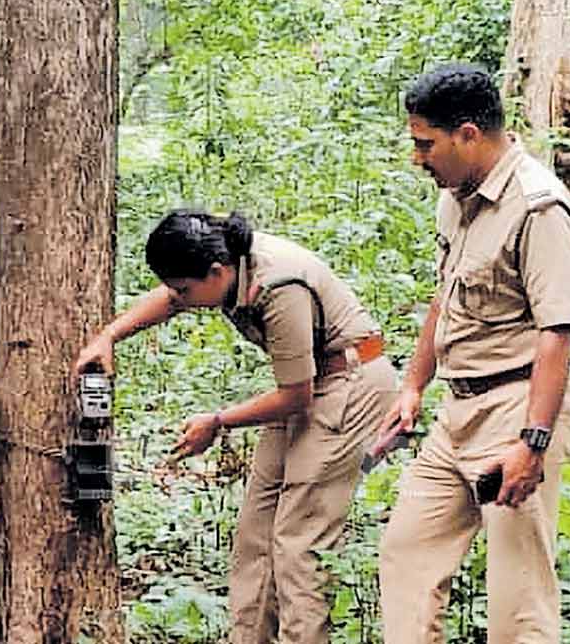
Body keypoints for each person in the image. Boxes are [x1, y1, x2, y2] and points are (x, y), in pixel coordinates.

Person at [75, 210, 398, 644]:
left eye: (186, 290)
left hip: (349, 385)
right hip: (307, 380)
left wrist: (218, 422)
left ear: (216, 272)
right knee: (257, 537)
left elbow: (295, 396)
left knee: (298, 543)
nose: (180, 299)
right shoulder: (223, 263)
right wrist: (108, 336)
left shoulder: (279, 287)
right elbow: (169, 299)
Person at [373, 64, 570, 643]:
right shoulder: (457, 195)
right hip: (457, 412)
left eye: (426, 144)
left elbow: (556, 333)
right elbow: (446, 296)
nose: (418, 158)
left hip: (516, 410)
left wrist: (532, 443)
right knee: (408, 556)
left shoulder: (540, 209)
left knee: (518, 599)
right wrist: (414, 385)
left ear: (468, 134)